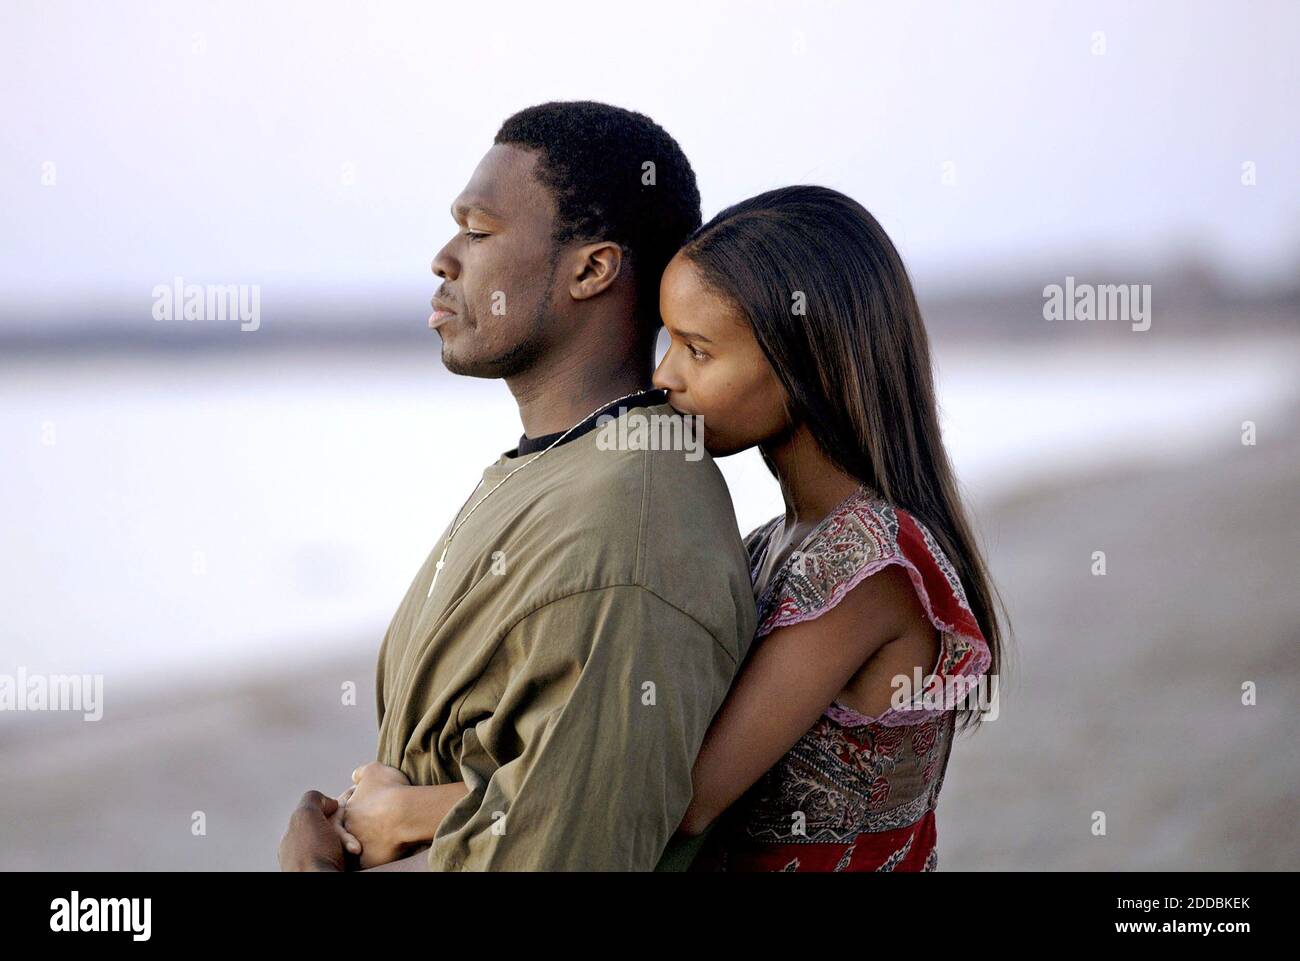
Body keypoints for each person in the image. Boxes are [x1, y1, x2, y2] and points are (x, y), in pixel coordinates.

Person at [327, 185, 1006, 872]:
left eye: (699, 351)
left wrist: (409, 811)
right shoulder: (777, 543)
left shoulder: (870, 569)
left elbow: (675, 797)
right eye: (667, 341)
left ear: (811, 364)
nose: (664, 376)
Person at [277, 101, 757, 872]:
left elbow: (569, 848)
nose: (443, 257)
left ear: (592, 269)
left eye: (478, 230)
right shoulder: (561, 466)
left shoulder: (626, 529)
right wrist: (349, 830)